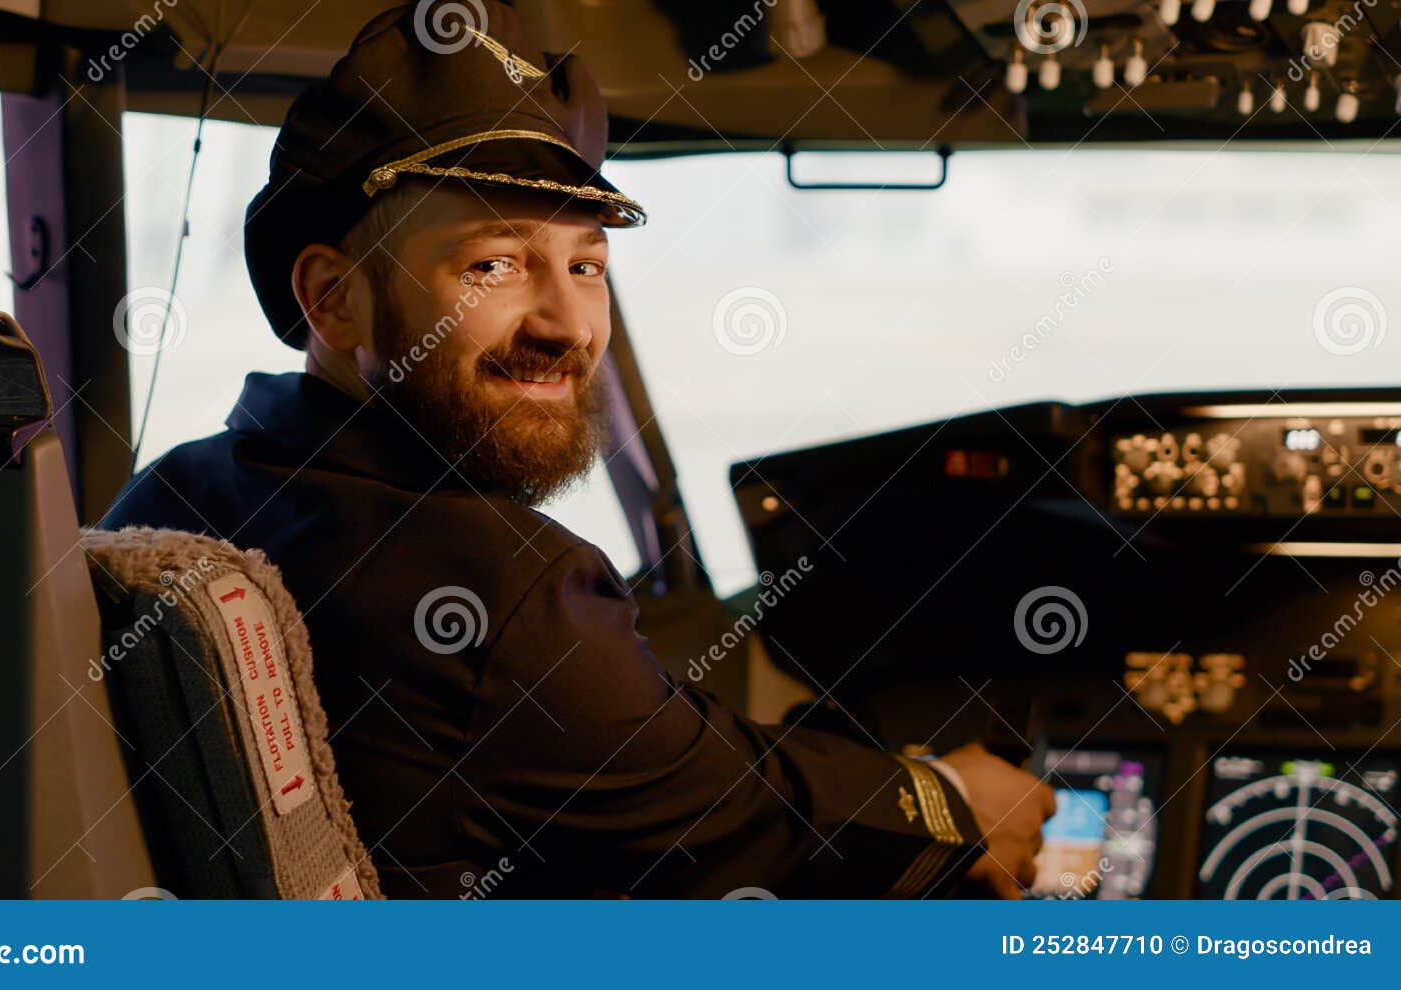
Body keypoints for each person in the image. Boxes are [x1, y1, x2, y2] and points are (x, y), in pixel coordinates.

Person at [102, 0, 1055, 898]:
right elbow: (738, 821)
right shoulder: (509, 590)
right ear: (334, 298)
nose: (566, 323)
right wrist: (952, 803)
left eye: (587, 265)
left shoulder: (174, 493)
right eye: (495, 263)